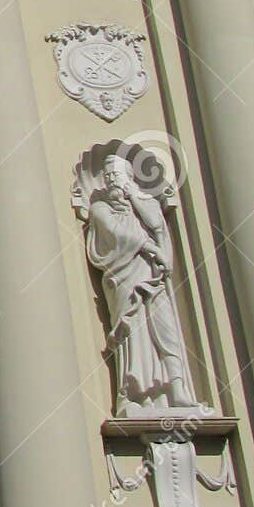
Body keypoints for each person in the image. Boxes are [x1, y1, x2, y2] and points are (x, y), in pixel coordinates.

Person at [81, 153, 205, 414]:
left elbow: (157, 224)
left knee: (166, 330)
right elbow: (117, 234)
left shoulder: (143, 203)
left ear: (130, 176)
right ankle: (132, 394)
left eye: (116, 173)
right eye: (107, 175)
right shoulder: (100, 208)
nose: (112, 178)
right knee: (133, 332)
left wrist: (135, 197)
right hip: (124, 278)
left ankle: (177, 390)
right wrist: (151, 248)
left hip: (152, 278)